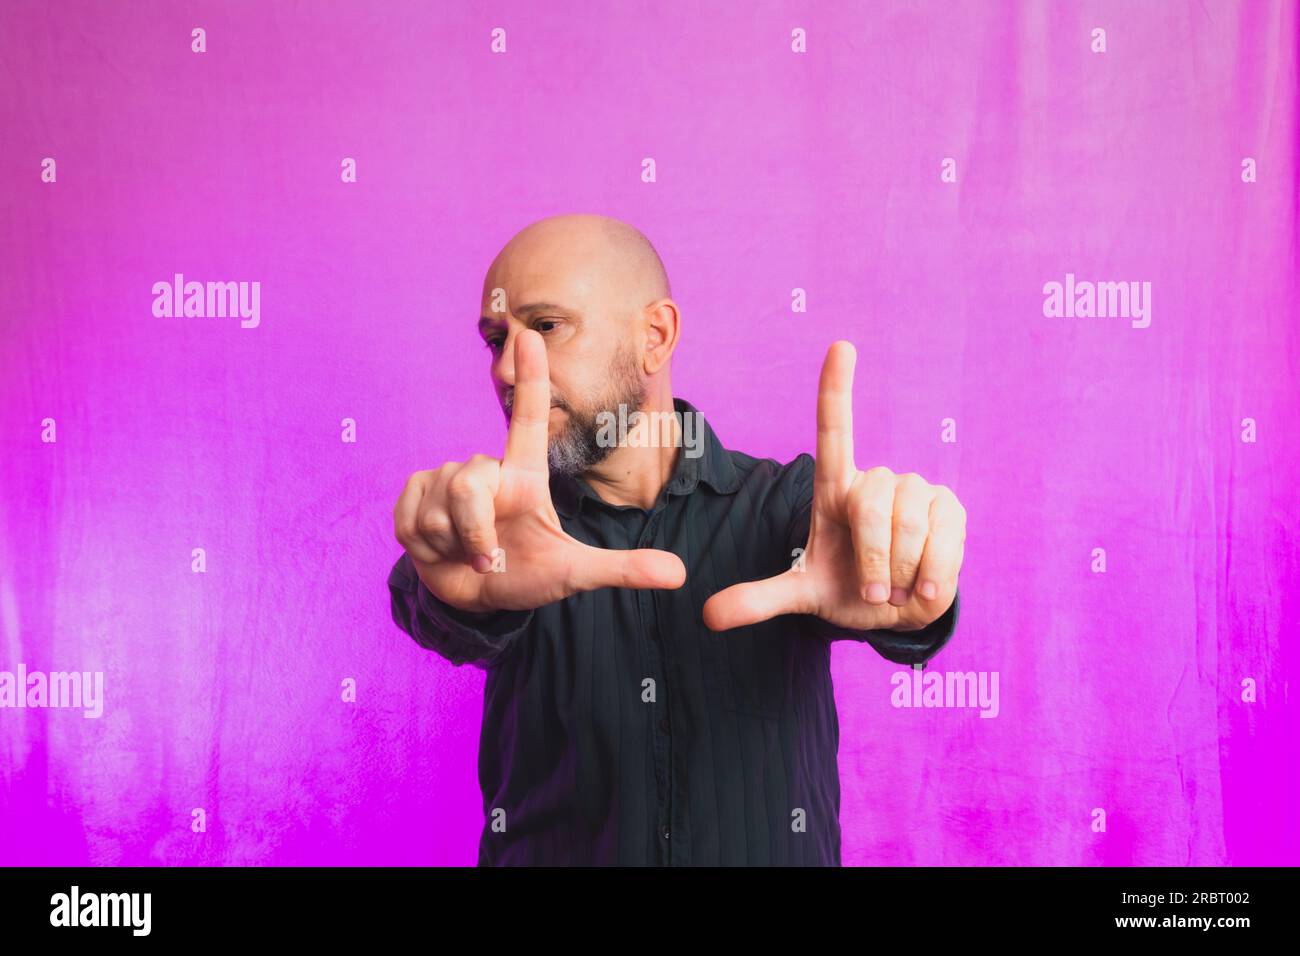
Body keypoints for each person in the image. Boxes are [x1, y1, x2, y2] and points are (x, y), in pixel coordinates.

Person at [388, 213, 966, 865]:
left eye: (545, 327)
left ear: (655, 337)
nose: (509, 370)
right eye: (498, 341)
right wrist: (461, 588)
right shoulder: (494, 528)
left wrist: (909, 574)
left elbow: (901, 590)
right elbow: (433, 601)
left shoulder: (789, 509)